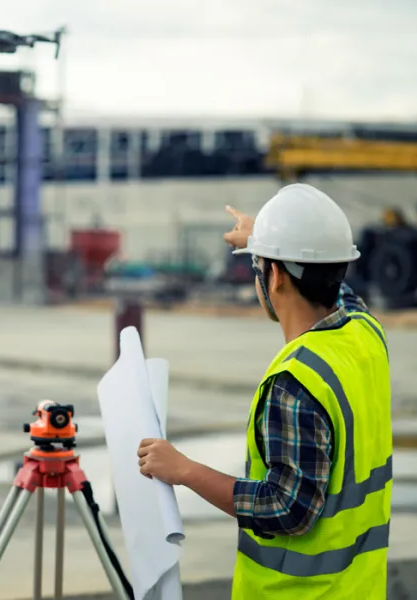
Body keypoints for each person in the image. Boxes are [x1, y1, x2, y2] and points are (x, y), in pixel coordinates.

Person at [137, 183, 392, 598]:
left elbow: (287, 507)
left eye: (258, 266)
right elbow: (337, 285)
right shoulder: (366, 334)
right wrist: (268, 239)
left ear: (273, 277)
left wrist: (184, 470)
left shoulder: (296, 382)